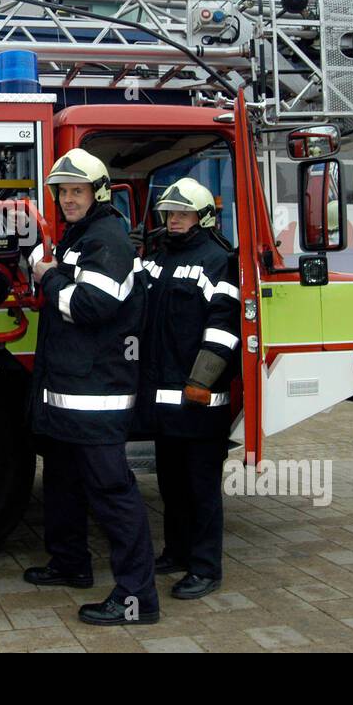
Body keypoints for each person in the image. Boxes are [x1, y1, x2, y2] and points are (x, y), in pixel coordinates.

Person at [25, 147, 159, 626]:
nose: (67, 199)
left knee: (112, 493)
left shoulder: (109, 240)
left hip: (96, 397)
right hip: (68, 394)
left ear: (98, 192)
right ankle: (70, 563)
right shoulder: (79, 238)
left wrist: (48, 276)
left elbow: (89, 306)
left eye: (76, 191)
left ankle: (136, 599)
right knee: (63, 480)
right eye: (62, 191)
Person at [137, 178, 240, 600]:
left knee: (201, 490)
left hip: (199, 404)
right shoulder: (158, 258)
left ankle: (205, 568)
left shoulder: (219, 261)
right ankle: (176, 553)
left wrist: (200, 382)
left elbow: (223, 328)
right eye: (169, 213)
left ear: (204, 217)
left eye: (182, 214)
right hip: (164, 404)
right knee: (171, 486)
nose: (173, 220)